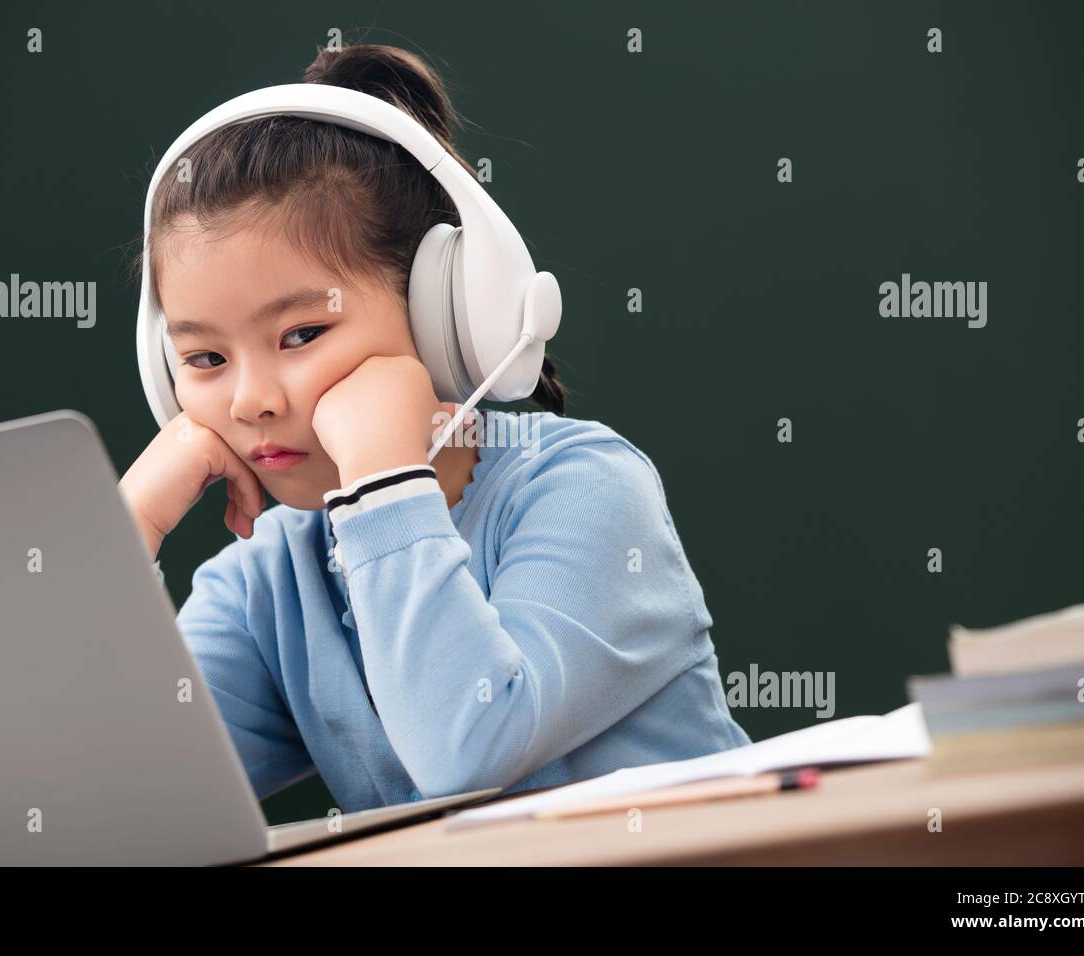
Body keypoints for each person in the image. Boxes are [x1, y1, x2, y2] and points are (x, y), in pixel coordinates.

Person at [118, 43, 750, 812]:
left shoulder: (590, 490)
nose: (250, 400)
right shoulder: (264, 583)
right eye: (206, 357)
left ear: (444, 314)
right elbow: (116, 802)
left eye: (300, 335)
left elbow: (468, 746)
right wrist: (126, 530)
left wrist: (385, 476)